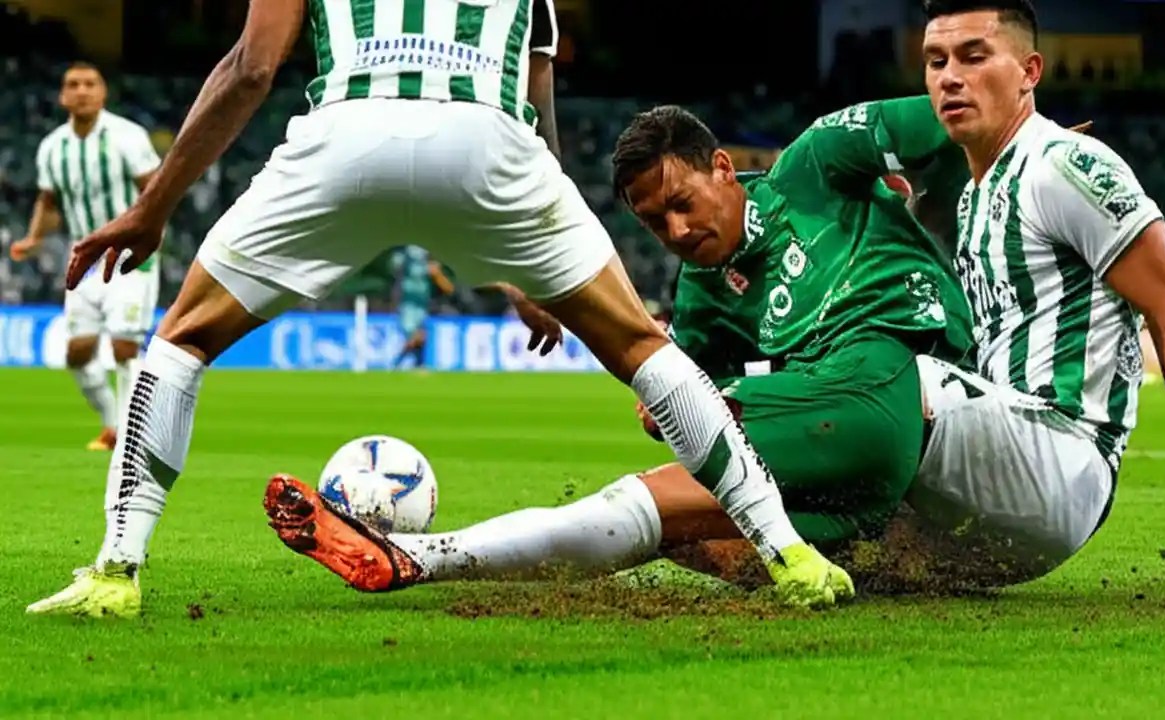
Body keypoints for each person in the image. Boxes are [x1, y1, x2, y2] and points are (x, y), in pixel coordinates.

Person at [28, 0, 849, 619]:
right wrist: (533, 259)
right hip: (488, 140)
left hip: (346, 135)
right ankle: (789, 553)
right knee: (640, 346)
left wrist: (154, 209)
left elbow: (252, 66)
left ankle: (116, 570)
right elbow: (536, 97)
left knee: (180, 341)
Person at [266, 99, 1100, 594]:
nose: (673, 229)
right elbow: (694, 416)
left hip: (898, 381)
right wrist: (672, 403)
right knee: (681, 521)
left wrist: (1034, 149)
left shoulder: (818, 165)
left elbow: (962, 123)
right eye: (652, 222)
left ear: (724, 169)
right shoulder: (703, 298)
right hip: (869, 448)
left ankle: (421, 556)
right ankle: (412, 561)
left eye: (680, 201)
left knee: (691, 462)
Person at [920, 0, 1165, 584]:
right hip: (1003, 462)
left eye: (974, 57)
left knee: (881, 375)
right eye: (936, 61)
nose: (950, 77)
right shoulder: (973, 197)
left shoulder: (1063, 166)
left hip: (1061, 453)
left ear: (1029, 72)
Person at [9, 62, 161, 451]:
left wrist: (150, 233)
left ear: (103, 92)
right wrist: (33, 238)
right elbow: (48, 201)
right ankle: (112, 424)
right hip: (85, 259)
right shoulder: (52, 147)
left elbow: (156, 190)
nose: (82, 91)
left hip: (129, 256)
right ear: (63, 96)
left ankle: (131, 435)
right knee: (77, 352)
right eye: (73, 85)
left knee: (124, 346)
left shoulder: (128, 136)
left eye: (90, 84)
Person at [390, 245, 454, 370]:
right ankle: (399, 364)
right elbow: (395, 271)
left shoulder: (429, 264)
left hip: (422, 306)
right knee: (416, 337)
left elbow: (448, 288)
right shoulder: (404, 258)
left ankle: (414, 365)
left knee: (420, 337)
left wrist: (436, 273)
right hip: (407, 306)